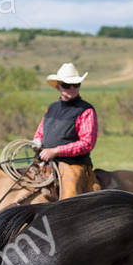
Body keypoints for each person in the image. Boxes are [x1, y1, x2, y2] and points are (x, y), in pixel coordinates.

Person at [33, 63, 98, 199]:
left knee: (69, 200)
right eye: (67, 85)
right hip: (45, 161)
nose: (72, 88)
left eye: (76, 85)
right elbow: (40, 132)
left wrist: (55, 151)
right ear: (58, 86)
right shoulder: (52, 108)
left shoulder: (86, 110)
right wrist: (37, 141)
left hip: (73, 164)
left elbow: (86, 143)